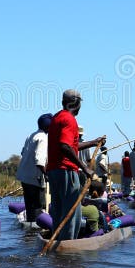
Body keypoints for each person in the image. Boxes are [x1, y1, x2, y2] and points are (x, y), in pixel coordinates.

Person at [46, 89, 105, 241]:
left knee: (59, 212)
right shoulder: (69, 119)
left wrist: (93, 142)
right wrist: (85, 168)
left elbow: (70, 145)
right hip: (66, 171)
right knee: (73, 215)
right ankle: (67, 251)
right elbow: (65, 147)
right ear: (76, 103)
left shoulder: (56, 118)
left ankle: (57, 244)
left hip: (54, 171)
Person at [16, 113, 53, 222]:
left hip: (24, 176)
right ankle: (35, 230)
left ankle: (29, 232)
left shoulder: (31, 135)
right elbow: (39, 161)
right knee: (38, 206)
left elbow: (23, 153)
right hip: (34, 178)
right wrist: (47, 175)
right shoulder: (43, 138)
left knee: (29, 205)